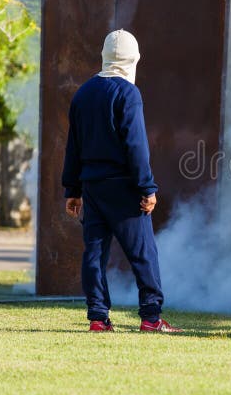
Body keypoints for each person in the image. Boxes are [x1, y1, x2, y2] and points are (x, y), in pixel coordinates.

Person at [62, 29, 182, 333]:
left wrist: (72, 189)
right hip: (125, 188)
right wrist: (147, 187)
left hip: (92, 187)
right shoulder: (128, 93)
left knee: (94, 253)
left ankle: (98, 318)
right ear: (132, 59)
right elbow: (136, 145)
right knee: (143, 254)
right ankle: (151, 318)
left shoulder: (83, 93)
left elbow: (73, 145)